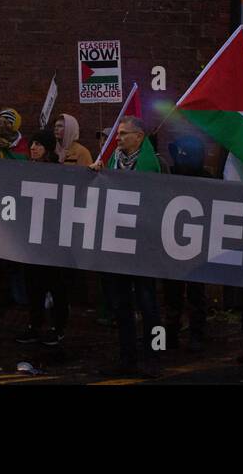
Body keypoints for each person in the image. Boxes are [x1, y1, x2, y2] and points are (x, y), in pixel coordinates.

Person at [88, 116, 162, 376]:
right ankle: (127, 357)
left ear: (139, 137)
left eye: (123, 134)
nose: (117, 139)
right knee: (121, 304)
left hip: (143, 245)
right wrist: (98, 174)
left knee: (149, 305)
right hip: (117, 242)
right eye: (117, 134)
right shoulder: (113, 161)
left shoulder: (152, 164)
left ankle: (155, 357)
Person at [17, 128, 71, 346]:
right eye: (32, 144)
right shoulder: (27, 169)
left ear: (47, 148)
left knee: (55, 285)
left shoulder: (58, 171)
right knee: (33, 285)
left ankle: (58, 328)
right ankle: (34, 325)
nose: (33, 148)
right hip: (32, 238)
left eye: (38, 144)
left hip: (53, 239)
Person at [162, 136, 208, 353]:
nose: (181, 158)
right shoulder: (169, 174)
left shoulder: (208, 178)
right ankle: (167, 337)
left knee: (196, 293)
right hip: (171, 243)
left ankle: (197, 335)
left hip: (197, 246)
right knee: (171, 294)